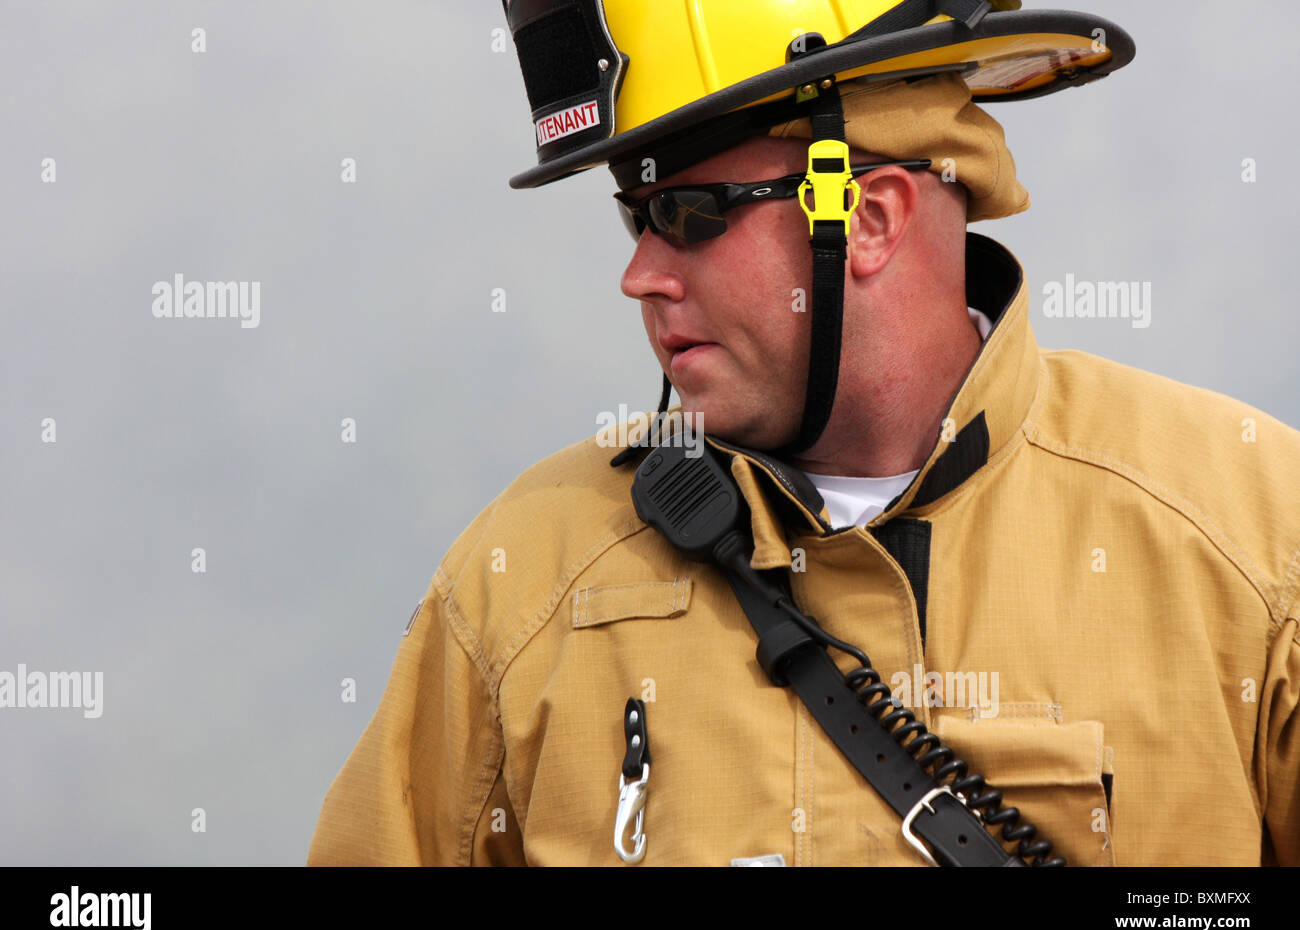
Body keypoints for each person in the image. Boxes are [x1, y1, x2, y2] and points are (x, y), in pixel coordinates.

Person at [307, 1, 1299, 866]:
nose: (640, 274)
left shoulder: (1252, 534)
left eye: (689, 213)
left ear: (868, 216)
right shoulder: (520, 583)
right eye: (634, 217)